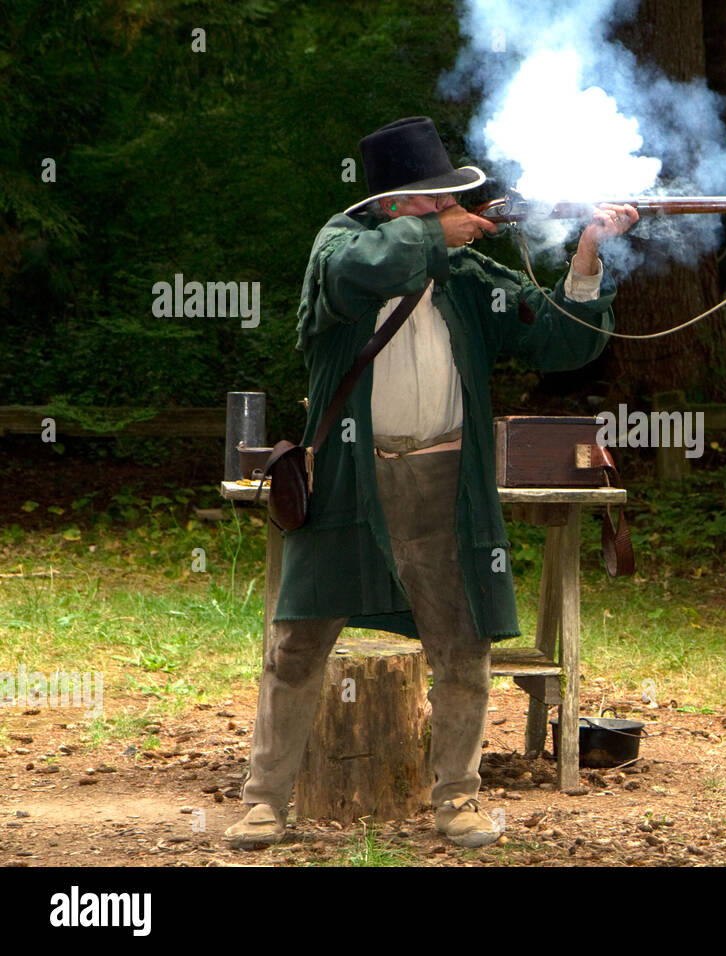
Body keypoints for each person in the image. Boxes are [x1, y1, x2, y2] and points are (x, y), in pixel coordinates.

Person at [223, 116, 638, 848]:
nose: (455, 213)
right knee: (296, 647)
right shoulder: (340, 250)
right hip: (349, 478)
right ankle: (264, 801)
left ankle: (458, 798)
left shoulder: (467, 278)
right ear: (397, 205)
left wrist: (588, 255)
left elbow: (564, 340)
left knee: (465, 646)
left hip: (447, 480)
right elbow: (360, 273)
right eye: (438, 203)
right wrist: (435, 237)